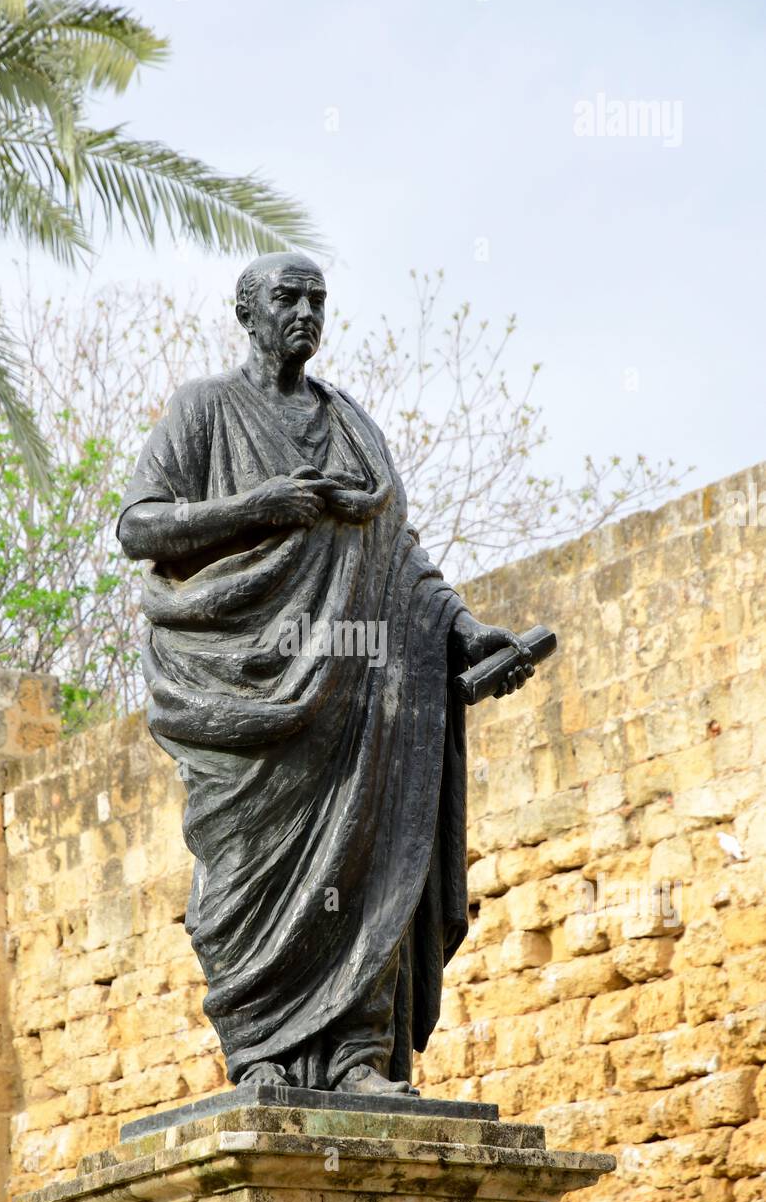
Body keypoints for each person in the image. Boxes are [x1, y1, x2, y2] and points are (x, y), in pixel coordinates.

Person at [117, 252, 533, 1096]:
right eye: (287, 297)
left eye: (317, 299)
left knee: (364, 861)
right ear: (248, 311)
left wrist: (464, 631)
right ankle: (260, 1052)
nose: (305, 311)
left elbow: (398, 556)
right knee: (246, 869)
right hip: (245, 693)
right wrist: (257, 507)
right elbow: (140, 526)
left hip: (357, 700)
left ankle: (355, 1059)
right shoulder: (205, 409)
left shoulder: (353, 427)